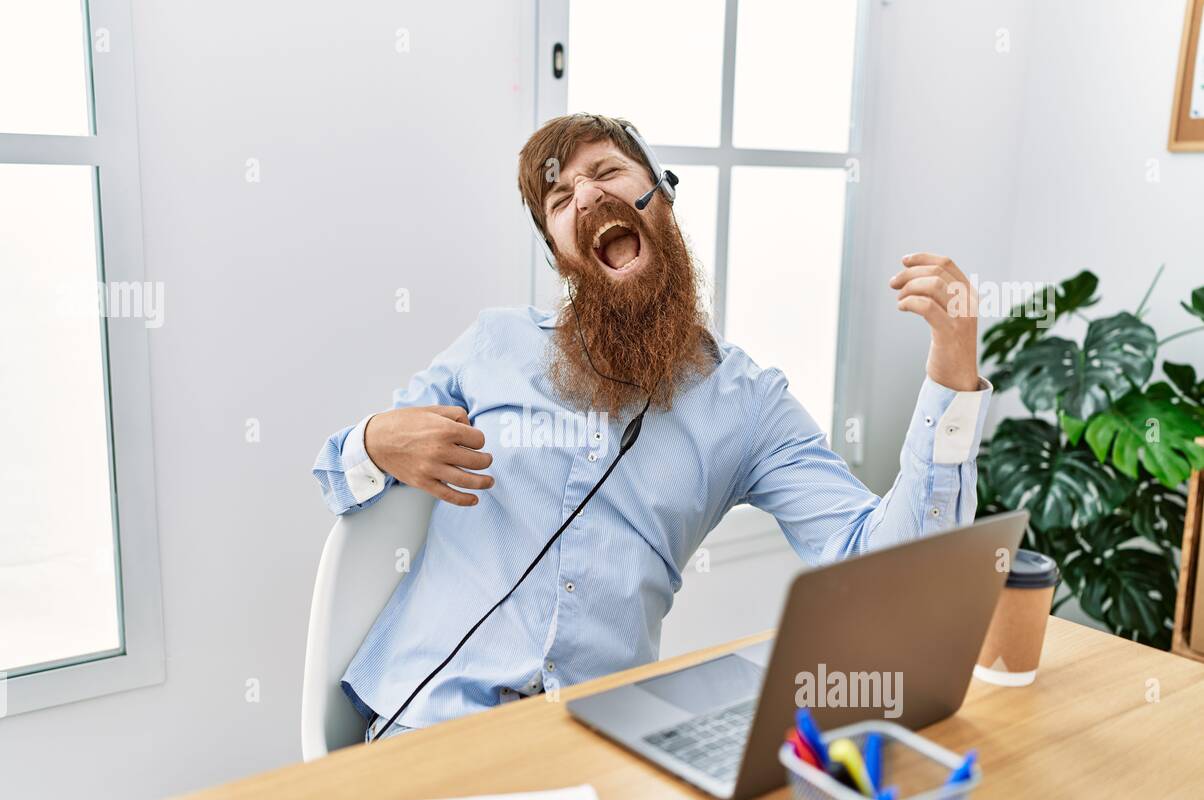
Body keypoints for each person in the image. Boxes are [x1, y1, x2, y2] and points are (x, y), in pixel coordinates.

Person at [312, 114, 991, 743]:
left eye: (607, 174)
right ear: (559, 253)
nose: (585, 196)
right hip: (427, 726)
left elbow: (887, 574)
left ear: (660, 196)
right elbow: (335, 474)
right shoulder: (493, 346)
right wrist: (373, 441)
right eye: (559, 199)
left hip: (599, 742)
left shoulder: (746, 403)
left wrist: (953, 378)